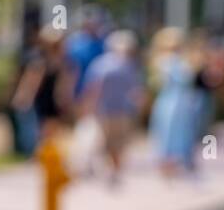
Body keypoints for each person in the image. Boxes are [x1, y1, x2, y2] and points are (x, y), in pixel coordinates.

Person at [78, 30, 144, 184]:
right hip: (121, 111)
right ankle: (114, 172)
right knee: (117, 144)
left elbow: (92, 88)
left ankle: (106, 170)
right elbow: (136, 92)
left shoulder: (100, 64)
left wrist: (87, 107)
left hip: (104, 110)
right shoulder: (128, 65)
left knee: (105, 142)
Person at [149, 28, 200, 175]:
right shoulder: (167, 62)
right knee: (169, 131)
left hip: (175, 101)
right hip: (173, 101)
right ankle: (169, 163)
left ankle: (171, 163)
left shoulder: (170, 61)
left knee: (173, 131)